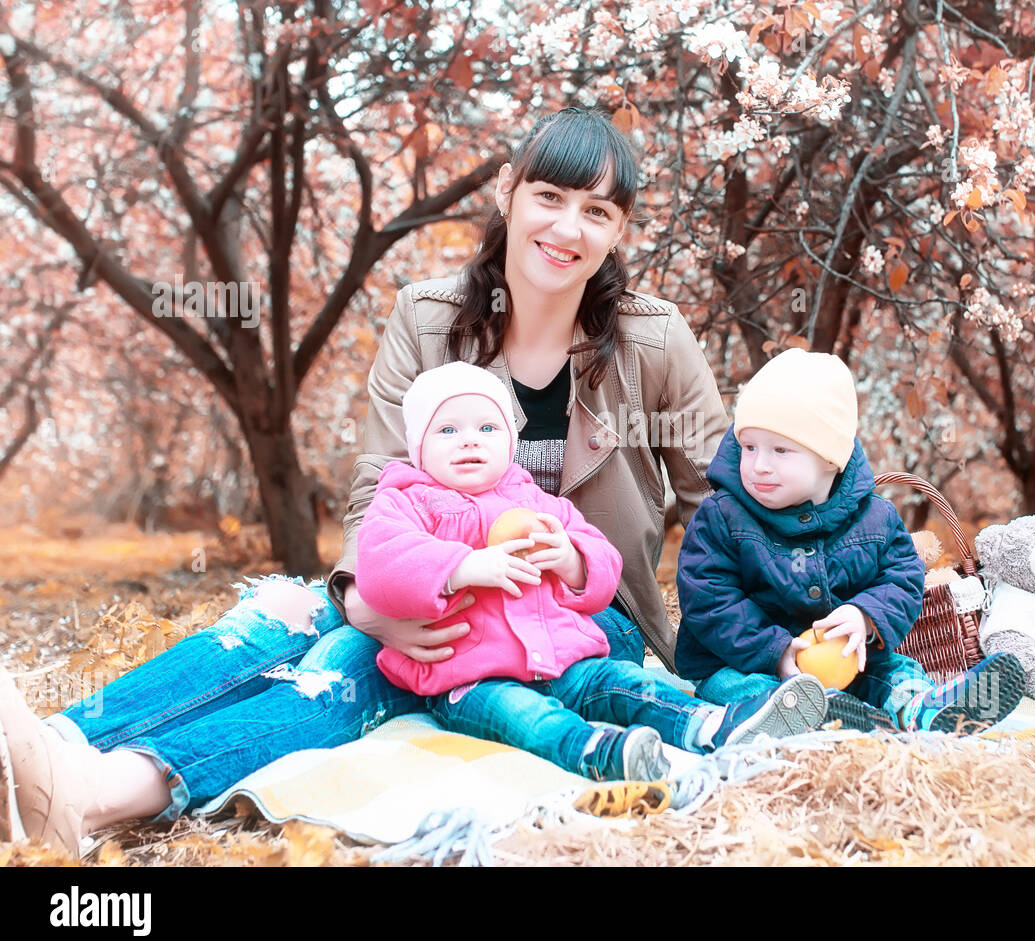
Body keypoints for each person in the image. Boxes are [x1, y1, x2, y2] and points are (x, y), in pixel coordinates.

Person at [0, 107, 732, 853]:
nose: (568, 227)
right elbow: (376, 486)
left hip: (580, 617)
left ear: (618, 229)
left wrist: (756, 650)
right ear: (508, 191)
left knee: (346, 666)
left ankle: (95, 795)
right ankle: (41, 748)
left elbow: (725, 509)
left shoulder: (654, 340)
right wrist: (364, 602)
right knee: (283, 613)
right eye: (549, 196)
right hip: (422, 580)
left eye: (597, 211)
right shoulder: (428, 318)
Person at [355, 362, 827, 780]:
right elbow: (381, 569)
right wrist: (462, 566)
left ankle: (713, 726)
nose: (470, 440)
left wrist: (570, 560)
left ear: (510, 441)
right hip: (472, 676)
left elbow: (605, 566)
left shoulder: (537, 503)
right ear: (418, 447)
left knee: (630, 684)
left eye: (486, 427)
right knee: (524, 716)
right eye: (447, 431)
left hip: (566, 662)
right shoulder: (407, 500)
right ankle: (599, 753)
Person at [675, 348, 1027, 733]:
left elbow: (902, 578)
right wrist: (773, 650)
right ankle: (815, 714)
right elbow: (708, 598)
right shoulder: (722, 516)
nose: (759, 464)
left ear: (830, 459)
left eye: (780, 450)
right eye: (749, 447)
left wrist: (866, 615)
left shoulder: (875, 518)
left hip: (847, 659)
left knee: (893, 669)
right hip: (742, 661)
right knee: (740, 688)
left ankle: (922, 706)